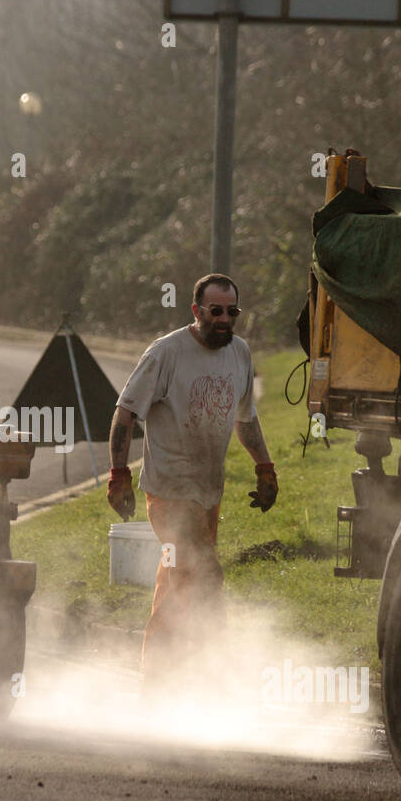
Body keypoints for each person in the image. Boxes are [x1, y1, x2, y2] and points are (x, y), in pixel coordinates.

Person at [107, 273, 277, 694]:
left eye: (231, 312)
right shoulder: (166, 353)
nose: (224, 319)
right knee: (203, 574)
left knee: (175, 579)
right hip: (169, 493)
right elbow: (125, 413)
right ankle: (211, 675)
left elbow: (246, 419)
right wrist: (119, 474)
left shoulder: (240, 354)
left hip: (207, 495)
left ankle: (158, 680)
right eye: (215, 311)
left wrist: (265, 467)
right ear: (196, 310)